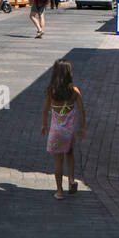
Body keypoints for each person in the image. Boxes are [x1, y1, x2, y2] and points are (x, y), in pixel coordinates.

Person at [41, 59, 86, 198]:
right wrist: (82, 127)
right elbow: (82, 111)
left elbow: (45, 110)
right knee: (70, 155)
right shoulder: (74, 91)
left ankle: (59, 191)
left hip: (55, 132)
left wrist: (44, 125)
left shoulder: (51, 91)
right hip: (69, 132)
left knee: (57, 161)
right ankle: (71, 180)